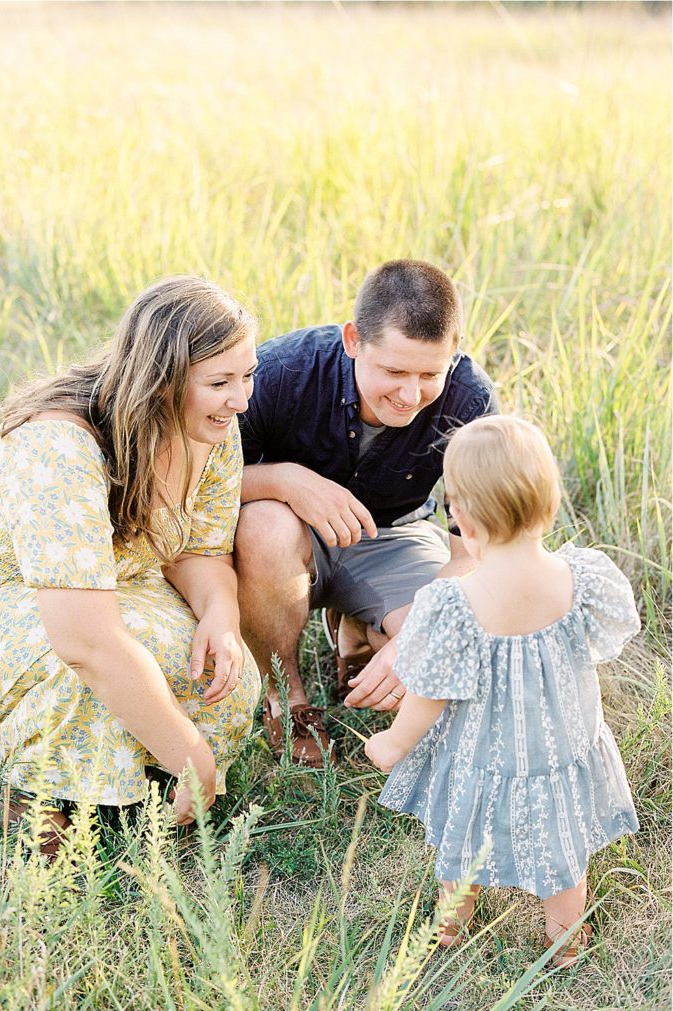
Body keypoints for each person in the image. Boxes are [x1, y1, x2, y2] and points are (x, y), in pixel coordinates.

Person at [0, 276, 262, 850]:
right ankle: (40, 799)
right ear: (163, 381)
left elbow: (203, 548)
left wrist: (222, 616)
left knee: (223, 672)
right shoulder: (59, 445)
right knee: (92, 668)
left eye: (249, 375)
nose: (241, 399)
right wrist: (190, 754)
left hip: (106, 585)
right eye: (220, 382)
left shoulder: (213, 427)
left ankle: (125, 782)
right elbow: (84, 640)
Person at [365, 415, 640, 968]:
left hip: (481, 754)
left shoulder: (453, 605)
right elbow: (605, 637)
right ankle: (565, 943)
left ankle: (448, 931)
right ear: (550, 501)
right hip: (561, 747)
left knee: (462, 842)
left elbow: (430, 695)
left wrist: (393, 743)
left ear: (460, 516)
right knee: (563, 852)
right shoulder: (579, 576)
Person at [235, 259, 497, 765]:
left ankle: (361, 629)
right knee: (264, 523)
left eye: (429, 374)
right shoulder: (283, 370)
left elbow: (473, 555)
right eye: (394, 371)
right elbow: (195, 488)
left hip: (394, 535)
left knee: (451, 648)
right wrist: (284, 480)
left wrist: (420, 634)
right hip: (281, 536)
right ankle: (285, 702)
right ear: (353, 340)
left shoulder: (471, 399)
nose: (409, 394)